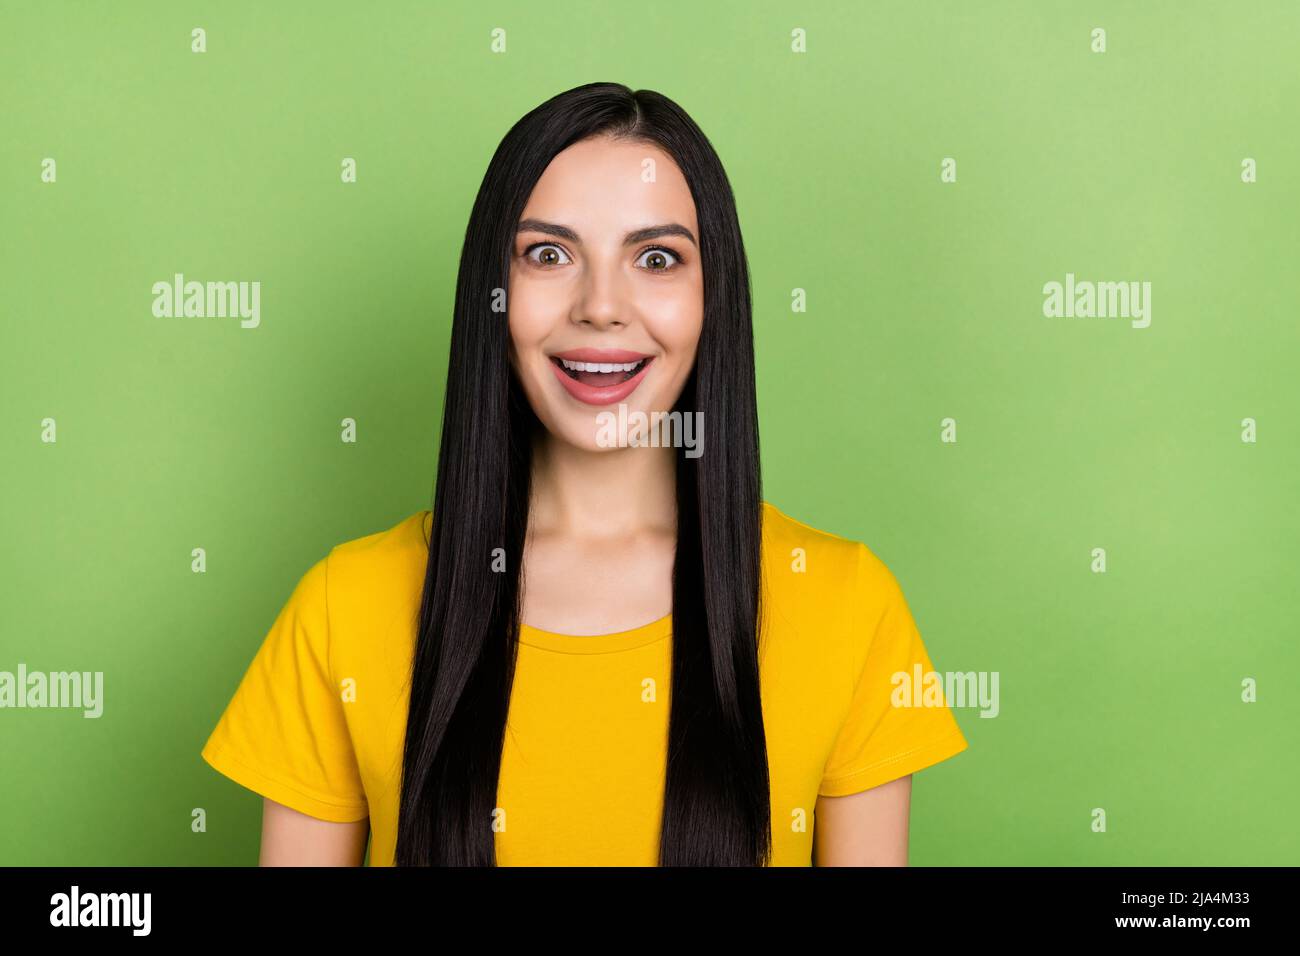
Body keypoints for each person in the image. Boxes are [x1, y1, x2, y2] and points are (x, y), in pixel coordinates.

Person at [201, 81, 968, 867]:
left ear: (714, 302)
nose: (601, 306)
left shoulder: (849, 605)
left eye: (658, 257)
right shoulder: (343, 607)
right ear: (492, 300)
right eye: (549, 254)